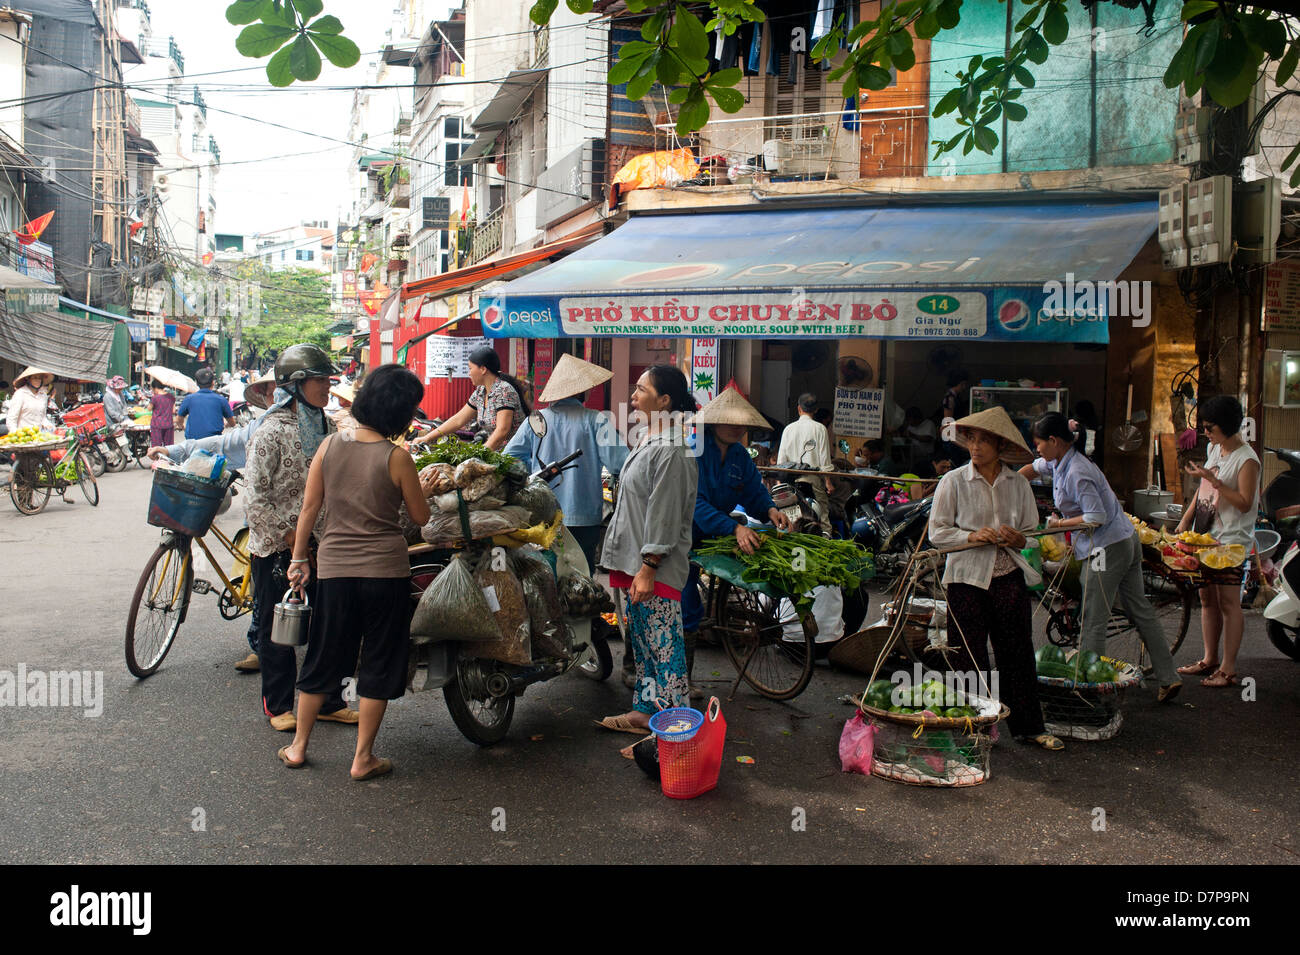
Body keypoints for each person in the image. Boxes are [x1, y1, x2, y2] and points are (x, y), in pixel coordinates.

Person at [278, 364, 431, 778]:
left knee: (324, 656)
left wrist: (298, 559)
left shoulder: (330, 446)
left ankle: (298, 746)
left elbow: (309, 509)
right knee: (379, 661)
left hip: (335, 570)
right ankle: (362, 758)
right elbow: (420, 516)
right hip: (386, 574)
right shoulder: (398, 458)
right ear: (401, 412)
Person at [928, 406, 1063, 751]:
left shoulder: (1017, 484)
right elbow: (937, 533)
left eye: (985, 441)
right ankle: (973, 727)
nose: (976, 447)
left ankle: (1029, 727)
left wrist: (1020, 539)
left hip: (1007, 577)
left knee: (1016, 653)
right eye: (972, 439)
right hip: (966, 579)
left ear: (1000, 447)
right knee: (967, 655)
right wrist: (971, 537)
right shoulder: (953, 481)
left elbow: (1033, 533)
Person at [1020, 412, 1181, 702]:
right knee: (1139, 609)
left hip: (1105, 549)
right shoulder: (1058, 461)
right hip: (1124, 539)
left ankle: (1088, 693)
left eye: (1039, 443)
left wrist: (1058, 525)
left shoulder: (1078, 471)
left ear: (1055, 441)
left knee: (1093, 617)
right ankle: (1169, 677)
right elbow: (1032, 468)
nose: (1037, 449)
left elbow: (1095, 516)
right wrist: (1008, 486)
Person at [242, 345, 356, 731]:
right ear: (296, 385)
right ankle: (278, 706)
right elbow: (254, 499)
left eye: (328, 379)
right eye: (321, 380)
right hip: (278, 549)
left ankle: (328, 700)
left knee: (330, 627)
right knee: (281, 633)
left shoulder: (326, 427)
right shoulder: (269, 433)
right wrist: (294, 541)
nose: (328, 386)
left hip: (324, 545)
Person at [149, 372, 277, 675]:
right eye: (271, 392)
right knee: (258, 568)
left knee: (265, 577)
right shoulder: (262, 421)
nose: (276, 397)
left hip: (283, 518)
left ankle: (262, 645)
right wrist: (175, 450)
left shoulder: (309, 423)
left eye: (278, 390)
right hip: (213, 457)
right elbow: (229, 438)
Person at [594, 365, 698, 735]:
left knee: (665, 654)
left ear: (664, 400)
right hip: (631, 563)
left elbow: (666, 514)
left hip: (653, 570)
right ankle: (644, 713)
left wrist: (649, 567)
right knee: (644, 649)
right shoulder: (649, 438)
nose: (633, 397)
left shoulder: (673, 449)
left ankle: (674, 734)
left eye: (641, 390)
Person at [683, 386, 791, 689]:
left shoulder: (740, 455)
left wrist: (771, 510)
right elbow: (696, 504)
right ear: (714, 422)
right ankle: (682, 681)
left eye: (742, 422)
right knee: (687, 601)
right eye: (730, 421)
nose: (737, 427)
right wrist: (735, 528)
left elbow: (754, 492)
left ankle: (723, 619)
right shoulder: (694, 451)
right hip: (686, 533)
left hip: (717, 530)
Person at [503, 353, 628, 572]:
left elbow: (508, 460)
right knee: (582, 578)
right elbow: (620, 463)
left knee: (546, 575)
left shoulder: (536, 419)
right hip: (584, 515)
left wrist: (530, 470)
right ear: (583, 391)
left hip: (541, 514)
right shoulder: (595, 420)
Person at [1176, 395, 1260, 688]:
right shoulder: (1215, 449)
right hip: (1207, 535)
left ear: (1227, 426)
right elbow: (1203, 490)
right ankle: (1209, 659)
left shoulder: (1247, 459)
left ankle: (1229, 669)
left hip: (1232, 540)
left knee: (1228, 602)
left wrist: (1216, 481)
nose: (1205, 433)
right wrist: (1185, 521)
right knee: (1206, 598)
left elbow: (1245, 503)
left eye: (1210, 427)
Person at [412, 345, 528, 450]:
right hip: (494, 451)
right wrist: (427, 438)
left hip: (513, 455)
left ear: (483, 369)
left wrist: (481, 453)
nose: (469, 373)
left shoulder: (503, 391)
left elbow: (502, 431)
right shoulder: (480, 392)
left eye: (470, 368)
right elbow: (458, 420)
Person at [777, 392, 835, 525]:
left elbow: (781, 461)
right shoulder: (820, 429)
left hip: (790, 480)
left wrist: (780, 484)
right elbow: (824, 459)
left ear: (799, 408)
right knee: (823, 516)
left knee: (790, 518)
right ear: (816, 410)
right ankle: (825, 538)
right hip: (813, 479)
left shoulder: (788, 429)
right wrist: (828, 482)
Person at [177, 367, 235, 439]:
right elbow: (232, 423)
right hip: (214, 441)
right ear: (213, 383)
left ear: (196, 383)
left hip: (193, 441)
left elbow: (179, 419)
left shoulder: (189, 399)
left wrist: (182, 426)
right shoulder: (221, 400)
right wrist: (226, 424)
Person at [5, 367, 54, 433]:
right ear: (28, 379)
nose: (38, 380)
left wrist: (49, 425)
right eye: (35, 378)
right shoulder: (20, 394)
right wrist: (15, 433)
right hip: (23, 437)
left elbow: (42, 417)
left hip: (38, 437)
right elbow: (11, 419)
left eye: (40, 378)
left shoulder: (43, 396)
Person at [900, 405, 937, 470]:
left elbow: (928, 438)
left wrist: (913, 435)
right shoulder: (910, 426)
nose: (909, 422)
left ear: (917, 418)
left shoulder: (929, 424)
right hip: (913, 457)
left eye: (910, 420)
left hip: (926, 458)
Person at [148, 383, 176, 448]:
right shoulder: (171, 397)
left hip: (157, 425)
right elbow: (173, 411)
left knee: (157, 447)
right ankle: (168, 458)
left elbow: (149, 409)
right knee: (169, 447)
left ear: (155, 388)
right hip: (169, 424)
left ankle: (158, 458)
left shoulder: (155, 398)